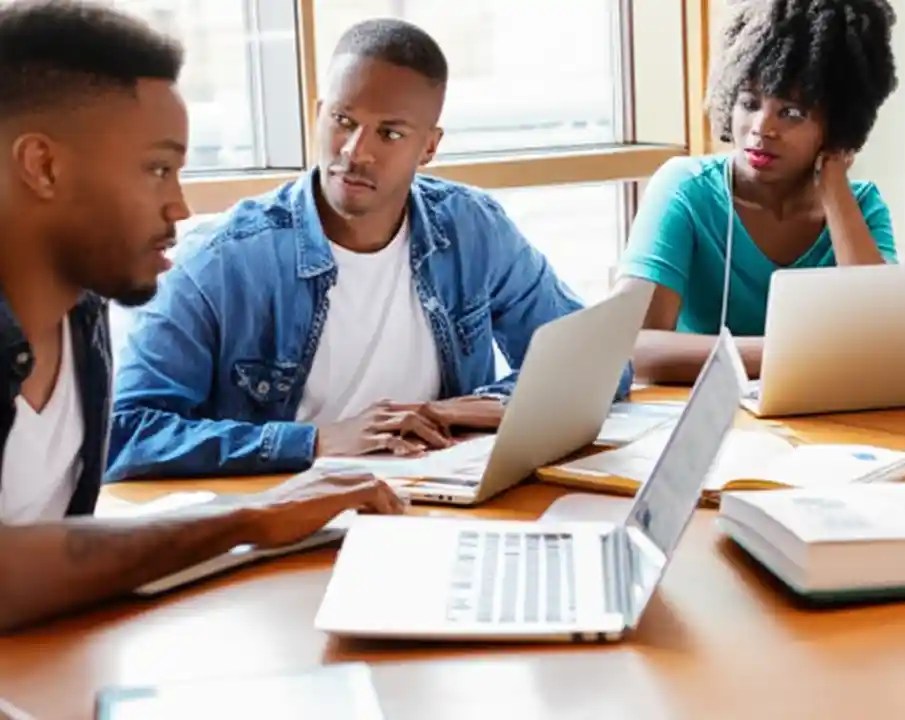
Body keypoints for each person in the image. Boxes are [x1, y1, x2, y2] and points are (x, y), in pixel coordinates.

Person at [0, 0, 404, 635]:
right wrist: (248, 518)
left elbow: (55, 551)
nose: (180, 206)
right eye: (157, 169)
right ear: (44, 166)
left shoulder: (81, 318)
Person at [107, 18, 629, 482]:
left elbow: (602, 371)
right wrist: (317, 442)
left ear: (429, 146)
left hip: (439, 500)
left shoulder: (473, 230)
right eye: (343, 121)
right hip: (289, 516)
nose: (356, 152)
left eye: (390, 133)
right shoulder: (221, 261)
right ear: (318, 113)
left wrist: (466, 410)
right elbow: (126, 433)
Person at [617, 0, 900, 384]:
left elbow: (886, 340)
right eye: (749, 103)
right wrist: (791, 352)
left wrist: (834, 189)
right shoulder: (686, 189)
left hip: (824, 430)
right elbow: (633, 348)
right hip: (703, 427)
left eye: (792, 113)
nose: (761, 127)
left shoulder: (861, 206)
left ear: (837, 125)